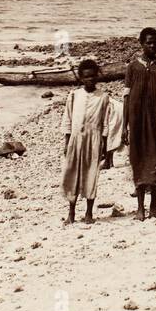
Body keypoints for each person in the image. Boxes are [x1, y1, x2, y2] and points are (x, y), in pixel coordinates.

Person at [59, 59, 122, 225]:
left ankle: (88, 212)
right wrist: (67, 142)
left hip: (94, 140)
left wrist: (104, 145)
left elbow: (106, 123)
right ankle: (71, 212)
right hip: (75, 139)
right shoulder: (74, 96)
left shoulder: (103, 98)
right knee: (72, 175)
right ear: (80, 78)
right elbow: (68, 119)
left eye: (93, 76)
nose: (90, 80)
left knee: (90, 175)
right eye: (86, 77)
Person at [124, 27, 156, 221]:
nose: (152, 46)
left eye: (155, 42)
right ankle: (140, 208)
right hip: (137, 121)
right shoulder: (132, 68)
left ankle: (153, 204)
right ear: (141, 43)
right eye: (148, 42)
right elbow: (127, 98)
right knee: (137, 159)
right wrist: (124, 126)